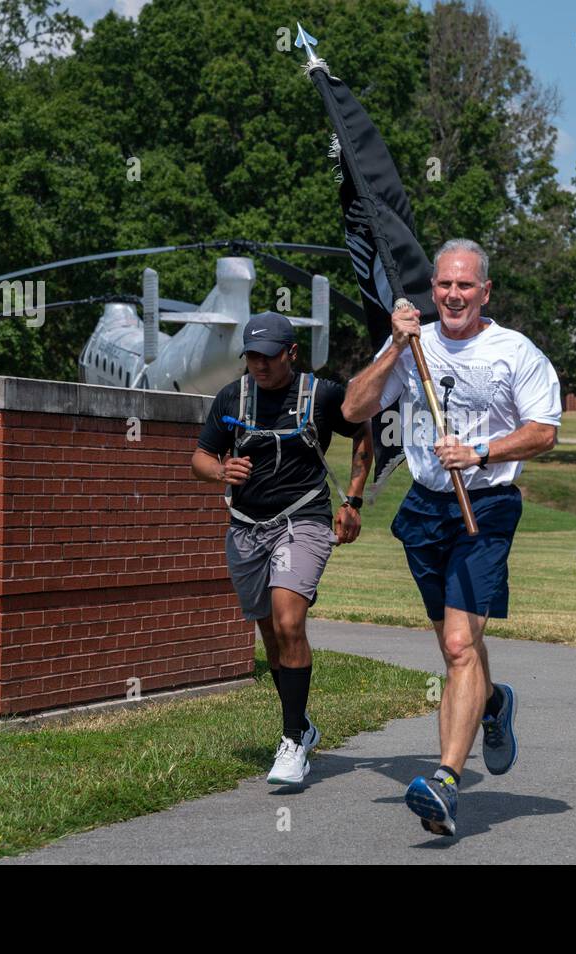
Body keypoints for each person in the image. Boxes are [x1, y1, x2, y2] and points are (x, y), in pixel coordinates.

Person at [341, 238, 561, 837]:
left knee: (461, 645)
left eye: (465, 285)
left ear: (485, 291)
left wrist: (481, 450)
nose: (454, 295)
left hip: (485, 506)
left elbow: (544, 432)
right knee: (454, 648)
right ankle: (492, 703)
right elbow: (353, 407)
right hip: (425, 507)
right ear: (430, 290)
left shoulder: (514, 352)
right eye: (444, 285)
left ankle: (443, 782)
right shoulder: (412, 344)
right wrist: (394, 346)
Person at [191, 313, 374, 785]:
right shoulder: (233, 397)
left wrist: (352, 499)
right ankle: (302, 725)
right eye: (251, 356)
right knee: (271, 634)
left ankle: (292, 740)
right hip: (246, 526)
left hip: (303, 518)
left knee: (290, 619)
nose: (259, 365)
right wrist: (220, 472)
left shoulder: (323, 394)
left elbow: (363, 430)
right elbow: (200, 457)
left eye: (268, 356)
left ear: (290, 353)